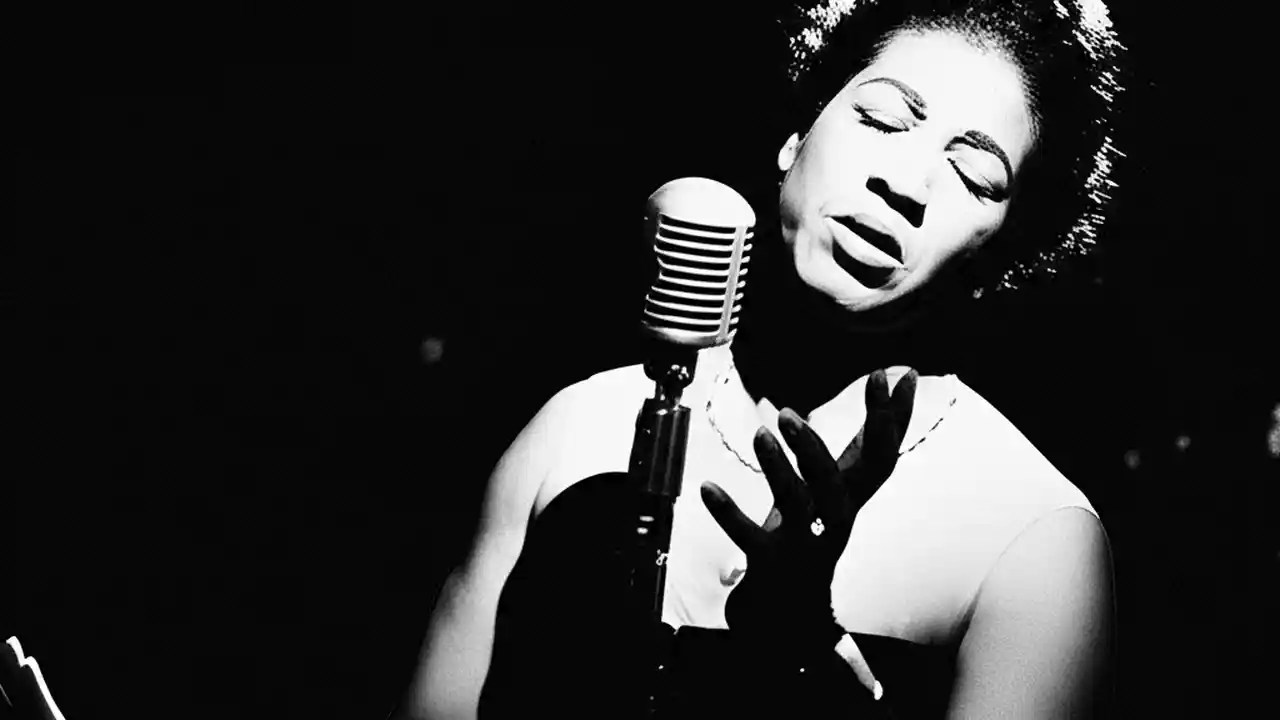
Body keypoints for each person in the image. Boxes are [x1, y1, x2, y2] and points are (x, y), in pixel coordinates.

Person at [397, 0, 1129, 717]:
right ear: (797, 134)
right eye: (881, 120)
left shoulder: (1035, 543)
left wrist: (808, 658)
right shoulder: (578, 428)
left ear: (1001, 256)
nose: (905, 186)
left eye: (974, 176)